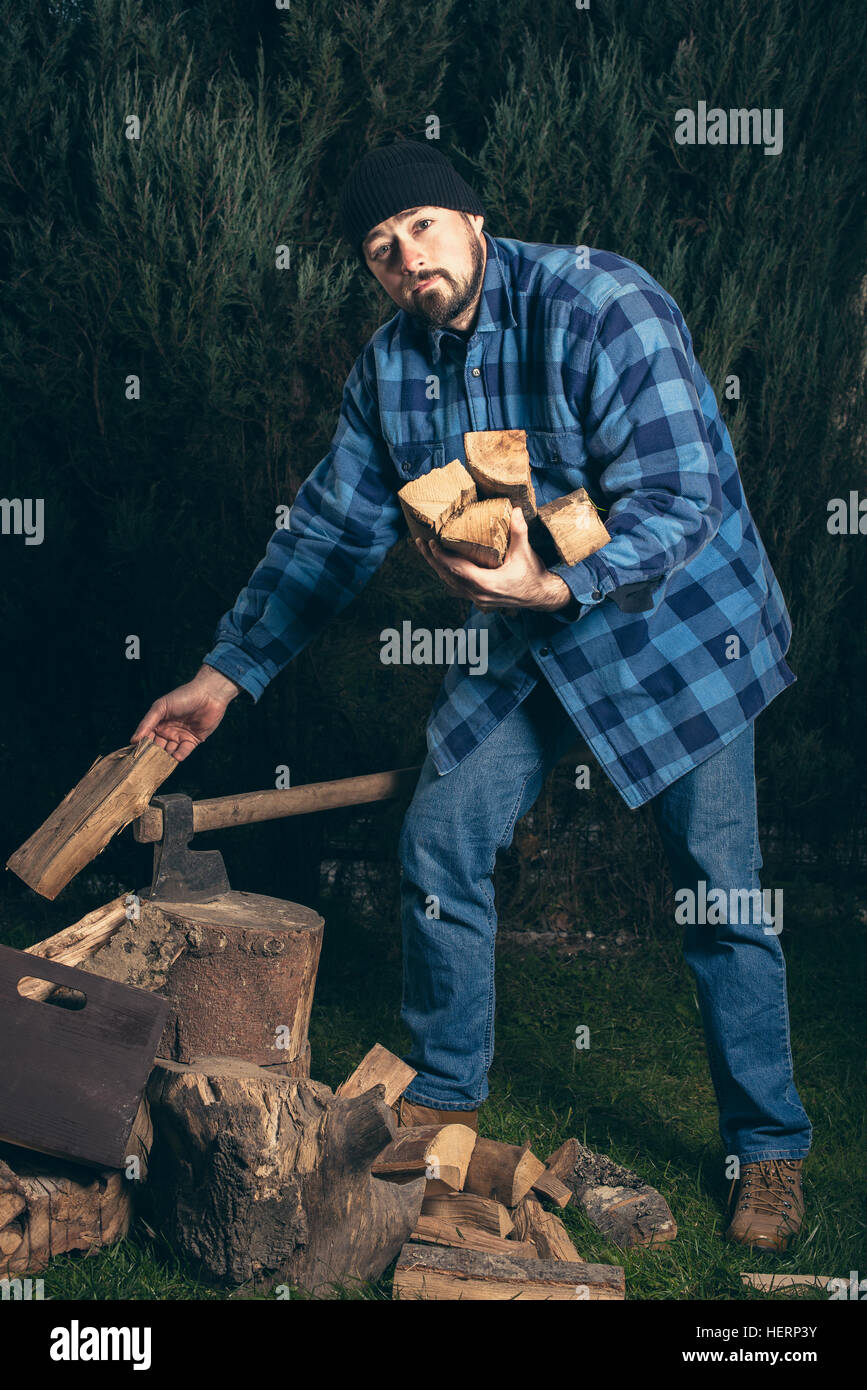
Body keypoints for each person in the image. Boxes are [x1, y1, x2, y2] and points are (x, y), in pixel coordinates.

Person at [132, 139, 811, 1252]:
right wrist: (223, 676)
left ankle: (771, 1147)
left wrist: (554, 577)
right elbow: (326, 539)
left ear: (474, 220)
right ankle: (445, 1090)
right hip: (525, 637)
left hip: (675, 629)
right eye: (380, 247)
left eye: (423, 229)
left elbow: (682, 494)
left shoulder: (601, 301)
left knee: (721, 891)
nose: (407, 259)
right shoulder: (389, 373)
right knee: (442, 839)